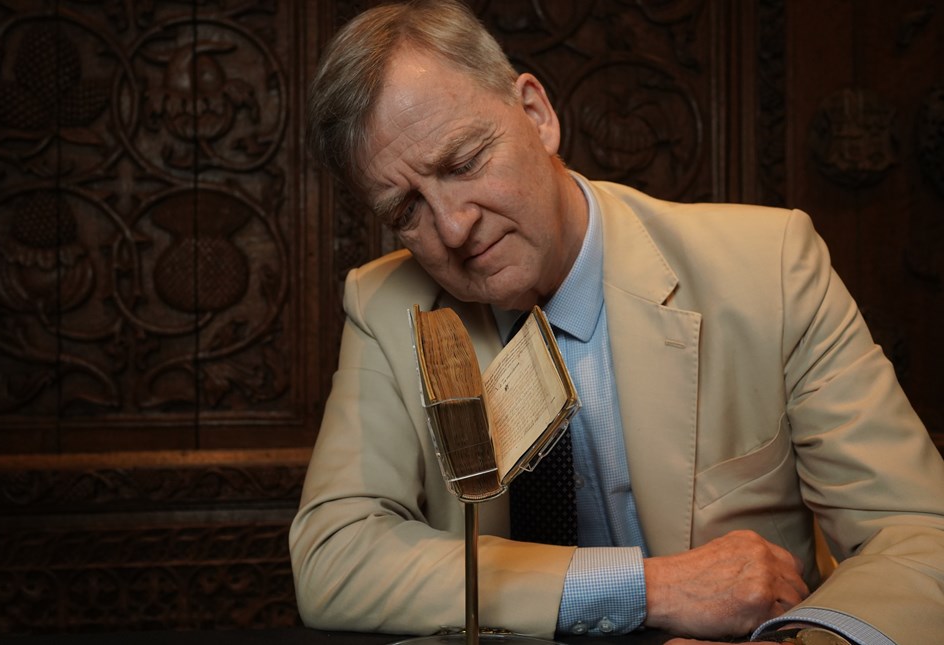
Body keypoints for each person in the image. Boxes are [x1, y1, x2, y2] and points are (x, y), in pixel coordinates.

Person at [289, 1, 944, 643]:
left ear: (537, 116)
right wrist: (645, 586)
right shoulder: (384, 304)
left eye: (464, 163)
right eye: (406, 209)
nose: (454, 227)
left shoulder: (769, 266)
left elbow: (920, 534)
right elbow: (335, 556)